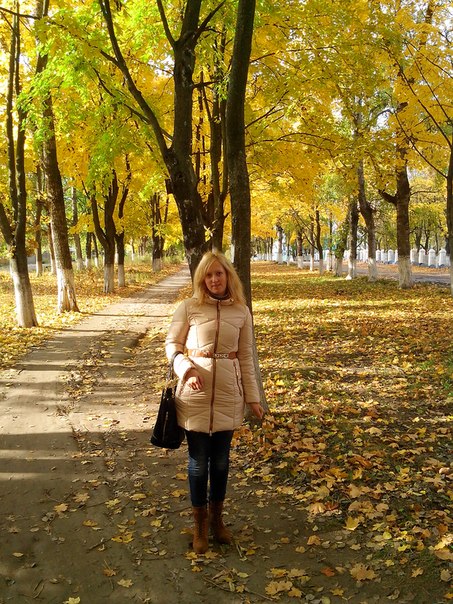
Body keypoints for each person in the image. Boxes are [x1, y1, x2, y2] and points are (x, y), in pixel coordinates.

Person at [165, 251, 264, 554]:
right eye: (208, 275)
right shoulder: (189, 307)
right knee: (198, 462)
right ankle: (199, 526)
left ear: (228, 275)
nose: (214, 279)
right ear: (201, 279)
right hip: (194, 394)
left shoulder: (241, 311)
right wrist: (186, 369)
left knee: (221, 462)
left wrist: (253, 398)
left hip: (228, 394)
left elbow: (245, 358)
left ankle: (217, 522)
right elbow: (172, 345)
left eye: (219, 273)